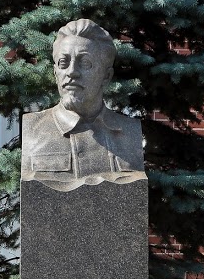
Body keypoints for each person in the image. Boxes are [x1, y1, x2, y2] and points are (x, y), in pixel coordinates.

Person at [21, 19, 144, 181]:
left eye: (85, 63)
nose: (71, 72)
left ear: (106, 76)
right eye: (63, 63)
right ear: (55, 73)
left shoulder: (130, 132)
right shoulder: (34, 128)